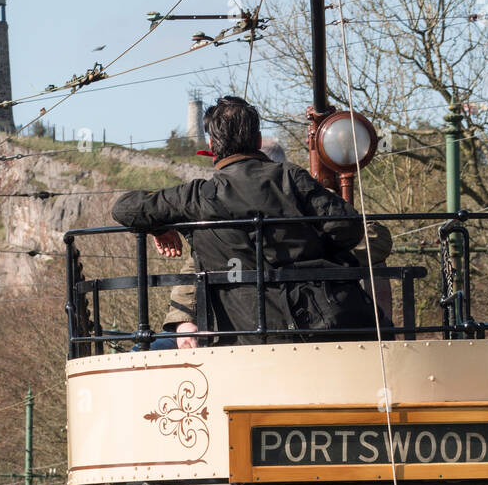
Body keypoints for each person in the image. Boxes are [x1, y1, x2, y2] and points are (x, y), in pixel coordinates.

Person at [111, 95, 392, 346]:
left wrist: (159, 227)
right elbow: (349, 228)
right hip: (324, 329)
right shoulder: (290, 178)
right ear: (258, 141)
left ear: (211, 145)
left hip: (241, 335)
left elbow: (124, 208)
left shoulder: (196, 198)